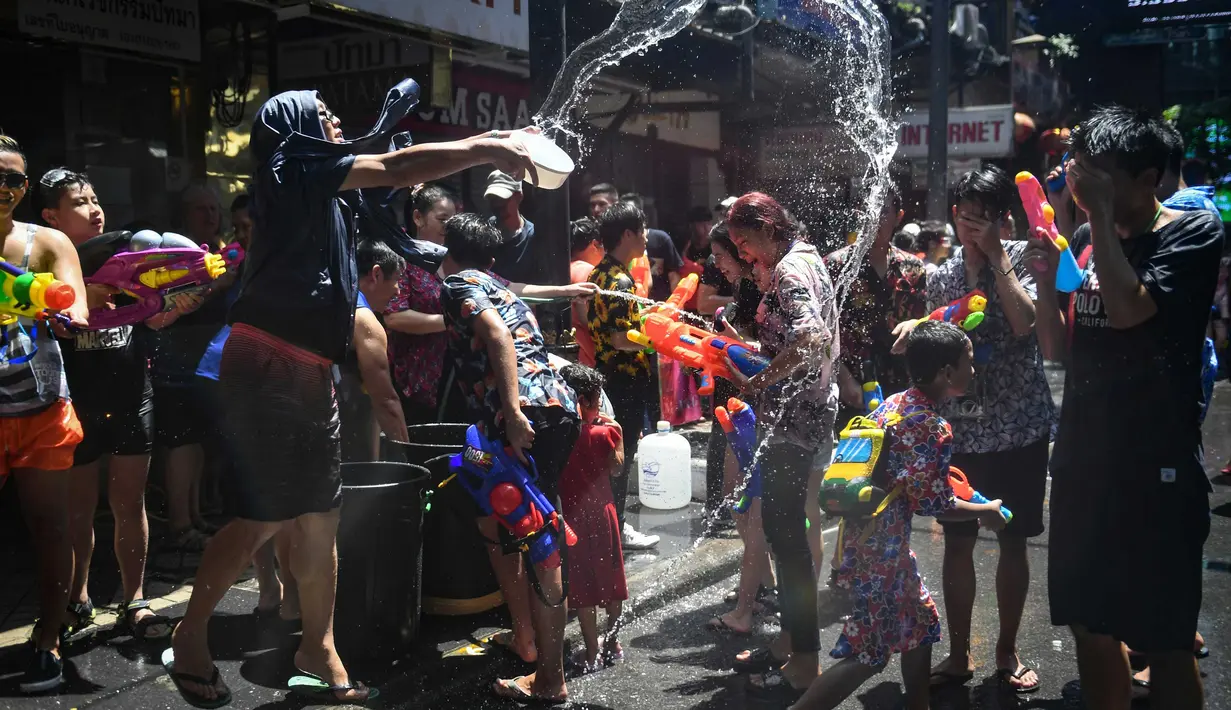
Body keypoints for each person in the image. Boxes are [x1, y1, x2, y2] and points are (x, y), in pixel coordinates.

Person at [165, 85, 544, 706]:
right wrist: (484, 147)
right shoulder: (293, 173)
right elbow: (397, 167)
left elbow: (389, 176)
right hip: (268, 366)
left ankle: (319, 649)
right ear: (296, 128)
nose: (338, 119)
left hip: (310, 372)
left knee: (320, 519)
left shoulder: (328, 195)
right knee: (266, 516)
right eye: (325, 113)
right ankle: (190, 636)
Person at [1027, 106, 1220, 710]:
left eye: (1097, 176)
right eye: (1077, 170)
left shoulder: (1191, 232)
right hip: (1085, 459)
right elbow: (1058, 346)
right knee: (1090, 624)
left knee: (1163, 640)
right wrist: (1042, 280)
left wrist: (1103, 217)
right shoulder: (1085, 240)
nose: (1079, 186)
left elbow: (1131, 310)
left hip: (1154, 466)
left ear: (1146, 179)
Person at [790, 320, 1007, 710]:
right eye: (968, 362)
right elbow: (934, 503)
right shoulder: (932, 426)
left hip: (861, 539)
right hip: (881, 555)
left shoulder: (896, 403)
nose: (973, 370)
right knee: (870, 655)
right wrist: (985, 510)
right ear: (946, 372)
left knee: (920, 624)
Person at [894, 166, 1054, 694]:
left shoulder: (1026, 261)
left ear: (1002, 218)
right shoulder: (941, 275)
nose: (970, 229)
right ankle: (959, 653)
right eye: (964, 218)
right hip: (958, 430)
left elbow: (1026, 321)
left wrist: (1000, 258)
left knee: (1013, 540)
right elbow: (934, 340)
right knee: (957, 542)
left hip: (1017, 425)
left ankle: (1006, 653)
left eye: (981, 219)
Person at [435, 213, 584, 703]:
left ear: (445, 247)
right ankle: (525, 639)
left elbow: (498, 336)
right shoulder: (499, 283)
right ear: (493, 258)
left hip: (521, 420)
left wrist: (513, 411)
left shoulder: (459, 283)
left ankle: (549, 678)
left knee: (538, 539)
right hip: (537, 416)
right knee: (492, 512)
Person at [40, 168, 170, 643]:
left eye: (96, 199)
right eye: (80, 202)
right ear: (52, 216)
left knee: (130, 504)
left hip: (133, 395)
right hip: (77, 404)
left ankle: (134, 599)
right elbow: (48, 328)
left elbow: (157, 319)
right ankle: (79, 597)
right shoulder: (43, 266)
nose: (95, 208)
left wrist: (182, 298)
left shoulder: (129, 255)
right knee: (78, 511)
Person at [725, 192, 838, 699]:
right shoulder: (806, 254)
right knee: (784, 532)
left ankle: (806, 662)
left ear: (769, 228)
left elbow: (811, 339)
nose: (745, 254)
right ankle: (792, 640)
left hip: (795, 423)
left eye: (746, 243)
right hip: (806, 415)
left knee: (788, 541)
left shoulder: (789, 272)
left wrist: (760, 379)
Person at [0, 136, 90, 693]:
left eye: (12, 180)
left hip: (41, 407)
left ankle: (49, 635)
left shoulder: (48, 241)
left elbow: (75, 300)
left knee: (49, 525)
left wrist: (67, 315)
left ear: (25, 189)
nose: (2, 188)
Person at [702, 223, 775, 634]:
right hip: (735, 397)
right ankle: (762, 580)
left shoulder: (761, 286)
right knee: (738, 496)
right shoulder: (749, 286)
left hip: (752, 399)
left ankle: (758, 592)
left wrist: (736, 341)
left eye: (722, 255)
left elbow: (766, 350)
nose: (717, 264)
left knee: (749, 499)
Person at [588, 202, 662, 552]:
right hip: (625, 379)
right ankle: (616, 529)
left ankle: (607, 524)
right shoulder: (619, 280)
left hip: (607, 376)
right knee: (622, 453)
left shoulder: (598, 273)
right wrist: (657, 341)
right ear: (628, 234)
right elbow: (621, 338)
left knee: (611, 454)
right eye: (643, 229)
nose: (647, 236)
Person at [825, 186, 927, 431]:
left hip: (902, 392)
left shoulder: (913, 268)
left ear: (898, 216)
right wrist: (844, 380)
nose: (874, 219)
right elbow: (823, 331)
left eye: (883, 212)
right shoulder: (836, 266)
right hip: (851, 390)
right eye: (868, 211)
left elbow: (925, 323)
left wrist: (916, 325)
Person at [558, 363, 628, 673]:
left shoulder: (559, 433)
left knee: (582, 588)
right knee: (611, 578)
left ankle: (590, 652)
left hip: (572, 517)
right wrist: (620, 434)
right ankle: (612, 642)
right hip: (604, 514)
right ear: (588, 401)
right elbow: (617, 467)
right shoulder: (608, 432)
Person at [339, 240, 410, 461]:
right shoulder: (364, 320)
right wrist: (409, 459)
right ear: (376, 275)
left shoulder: (338, 299)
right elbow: (386, 400)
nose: (398, 291)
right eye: (397, 280)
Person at [620, 192, 682, 302]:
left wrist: (674, 304)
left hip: (659, 307)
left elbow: (674, 275)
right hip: (633, 305)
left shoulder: (661, 239)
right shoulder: (620, 244)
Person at [485, 169, 536, 283]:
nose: (497, 204)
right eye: (493, 199)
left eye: (503, 199)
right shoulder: (483, 232)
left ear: (519, 196)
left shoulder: (532, 237)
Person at [570, 217, 603, 367]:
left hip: (572, 352)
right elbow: (586, 319)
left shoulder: (567, 269)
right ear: (595, 244)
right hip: (585, 355)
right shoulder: (588, 272)